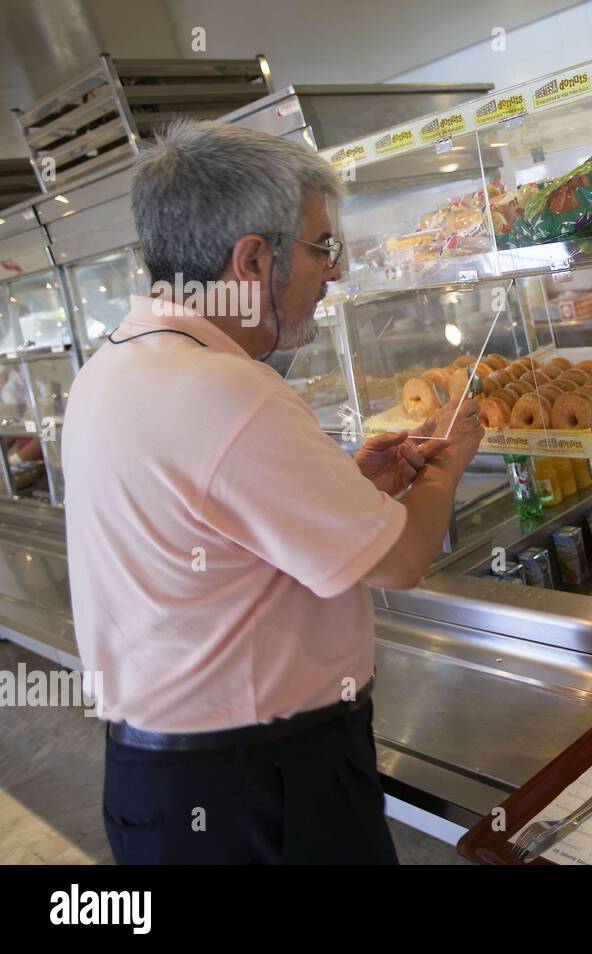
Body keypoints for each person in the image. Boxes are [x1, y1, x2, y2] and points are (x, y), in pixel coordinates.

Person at [61, 121, 484, 864]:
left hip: (160, 783)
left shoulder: (118, 366)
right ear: (254, 259)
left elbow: (216, 533)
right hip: (260, 787)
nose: (337, 272)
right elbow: (403, 559)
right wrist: (449, 460)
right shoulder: (227, 390)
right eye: (323, 247)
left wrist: (347, 491)